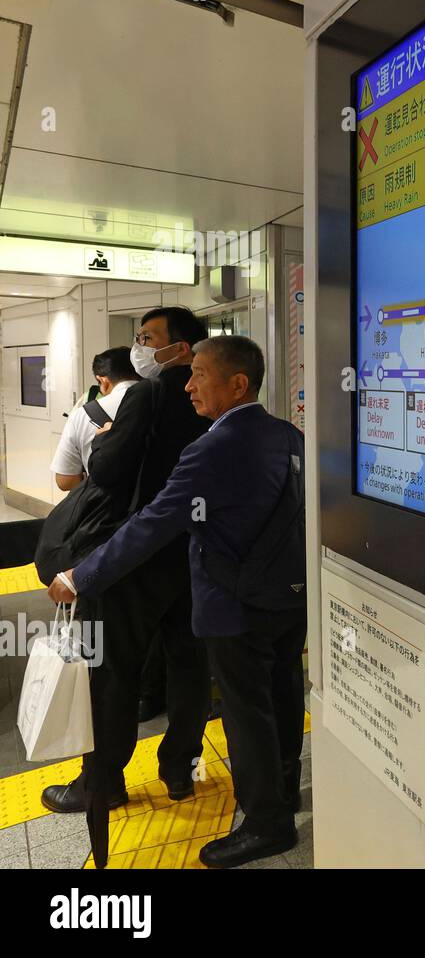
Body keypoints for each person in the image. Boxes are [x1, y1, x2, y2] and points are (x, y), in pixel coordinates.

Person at [49, 335, 308, 869]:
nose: (188, 385)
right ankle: (281, 793)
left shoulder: (212, 448)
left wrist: (82, 576)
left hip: (233, 605)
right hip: (286, 598)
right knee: (281, 698)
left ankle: (266, 824)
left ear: (238, 384)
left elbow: (153, 523)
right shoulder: (288, 436)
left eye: (200, 375)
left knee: (245, 713)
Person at [41, 308, 212, 820]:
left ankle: (104, 782)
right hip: (195, 554)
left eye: (147, 338)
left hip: (134, 555)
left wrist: (104, 438)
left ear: (180, 348)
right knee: (188, 663)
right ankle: (180, 769)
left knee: (114, 671)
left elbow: (110, 472)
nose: (138, 347)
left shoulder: (149, 394)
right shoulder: (218, 401)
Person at [49, 347, 139, 491]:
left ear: (102, 380)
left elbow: (65, 481)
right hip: (160, 505)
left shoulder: (82, 415)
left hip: (105, 508)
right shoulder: (164, 401)